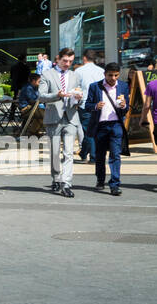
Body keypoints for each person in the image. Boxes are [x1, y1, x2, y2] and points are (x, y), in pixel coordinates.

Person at [38, 48, 85, 198]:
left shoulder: (75, 76)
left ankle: (66, 183)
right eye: (65, 61)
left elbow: (80, 96)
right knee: (55, 152)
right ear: (58, 59)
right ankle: (56, 178)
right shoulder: (47, 74)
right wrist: (56, 95)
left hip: (71, 117)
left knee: (69, 153)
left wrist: (78, 98)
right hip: (54, 118)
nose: (67, 64)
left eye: (70, 61)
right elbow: (41, 96)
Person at [83, 62, 130, 195]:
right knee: (100, 155)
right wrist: (95, 106)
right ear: (105, 74)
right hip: (101, 125)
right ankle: (100, 179)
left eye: (116, 75)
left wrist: (124, 106)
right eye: (110, 75)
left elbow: (126, 109)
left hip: (116, 124)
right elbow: (87, 105)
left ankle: (115, 184)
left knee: (115, 155)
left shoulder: (123, 86)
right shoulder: (95, 86)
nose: (113, 78)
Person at [74, 50, 105, 163]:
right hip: (99, 104)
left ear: (84, 58)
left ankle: (93, 156)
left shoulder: (79, 71)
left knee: (88, 130)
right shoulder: (101, 71)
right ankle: (84, 153)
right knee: (94, 129)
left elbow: (76, 88)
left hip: (85, 104)